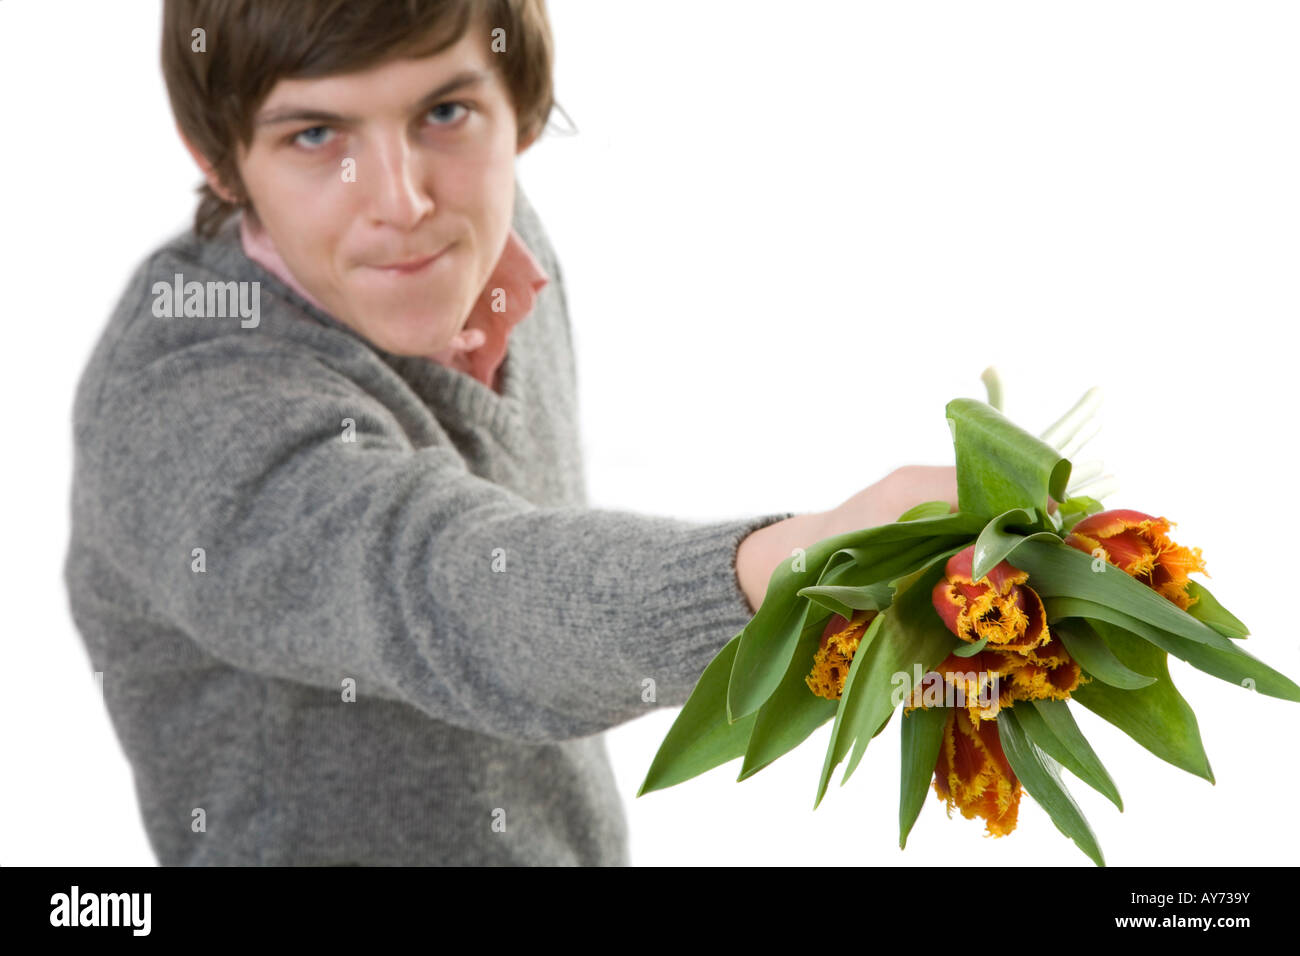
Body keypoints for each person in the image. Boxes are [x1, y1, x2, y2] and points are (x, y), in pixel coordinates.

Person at [63, 0, 957, 865]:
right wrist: (794, 566)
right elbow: (452, 587)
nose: (402, 200)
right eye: (314, 136)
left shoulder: (491, 246)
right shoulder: (181, 400)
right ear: (220, 160)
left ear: (520, 107)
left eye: (444, 112)